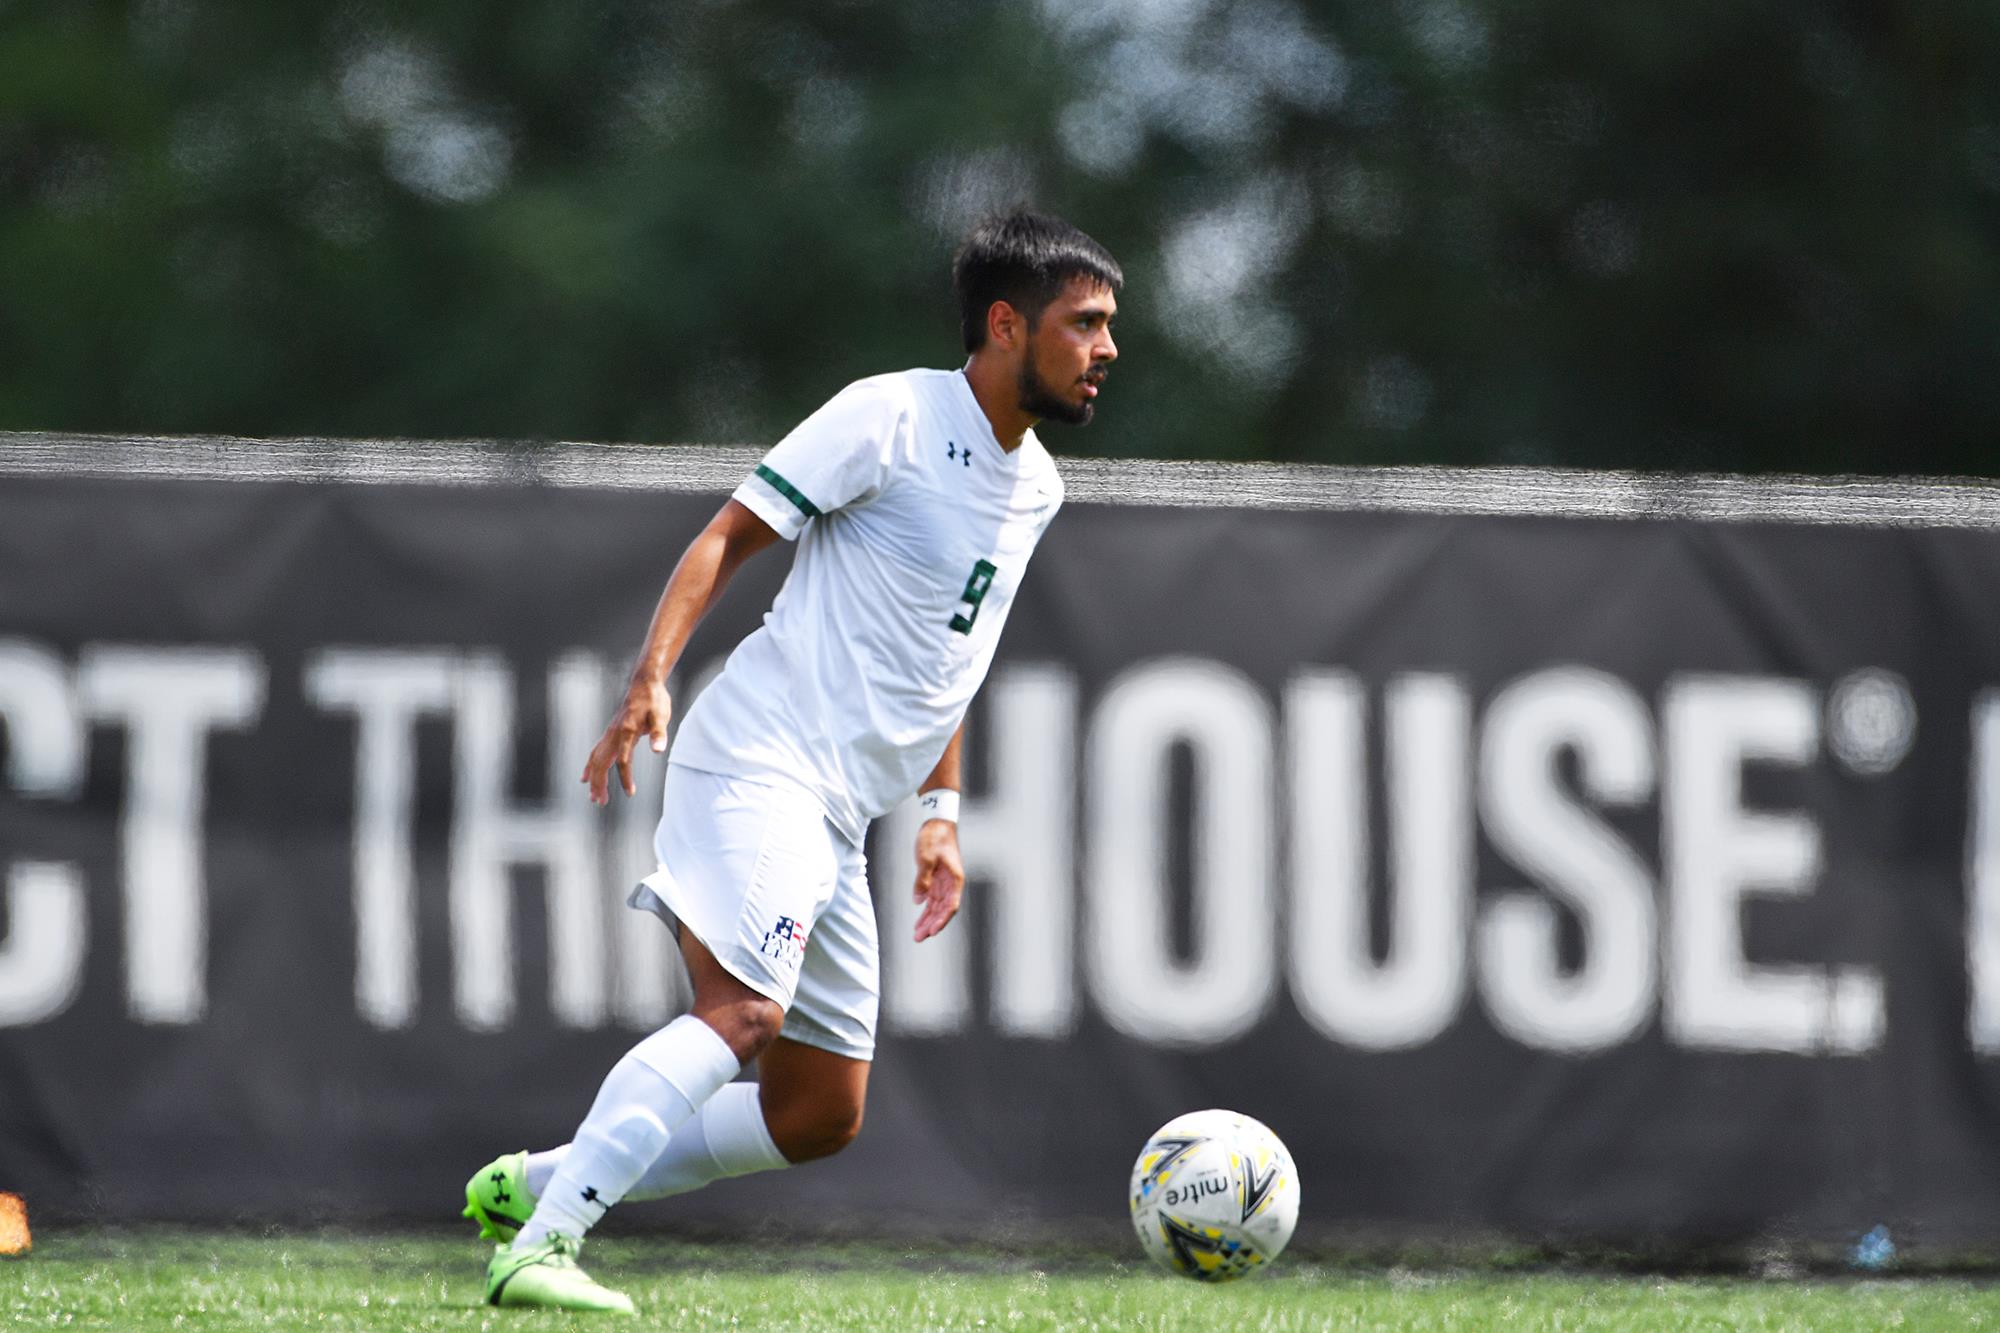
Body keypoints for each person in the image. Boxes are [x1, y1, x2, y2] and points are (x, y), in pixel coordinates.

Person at [462, 208, 1121, 1313]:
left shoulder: (1037, 486)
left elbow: (945, 661)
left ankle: (531, 1184)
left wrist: (940, 810)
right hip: (759, 761)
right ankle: (540, 1245)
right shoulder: (890, 415)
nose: (1106, 349)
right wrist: (649, 678)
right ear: (1006, 324)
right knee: (743, 1018)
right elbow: (726, 531)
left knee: (816, 1113)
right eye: (1084, 323)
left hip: (840, 814)